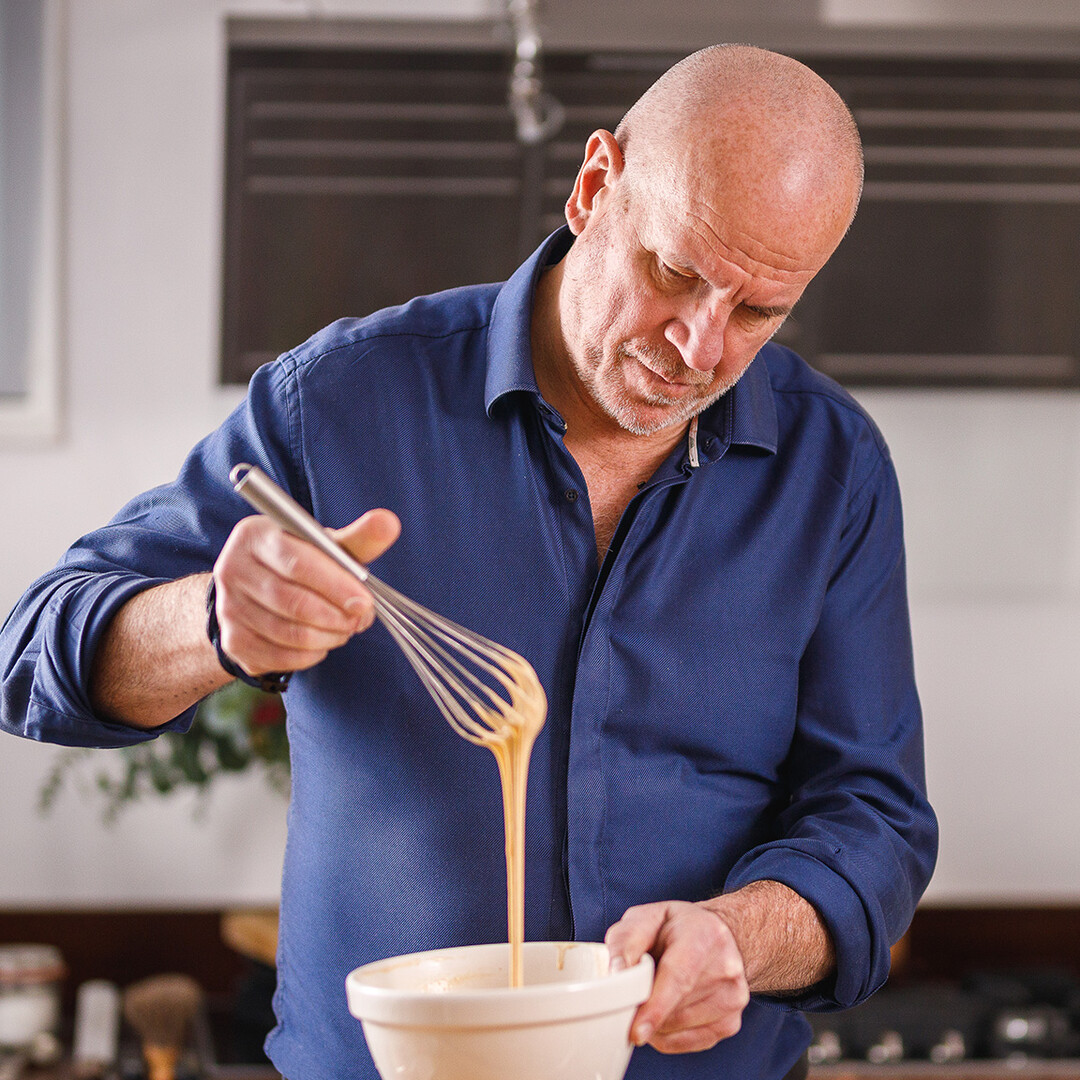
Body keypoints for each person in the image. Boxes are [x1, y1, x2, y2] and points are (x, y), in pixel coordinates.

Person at [1, 43, 937, 1080]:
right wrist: (213, 622)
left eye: (757, 310)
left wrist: (741, 936)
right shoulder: (344, 404)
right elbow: (32, 655)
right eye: (676, 272)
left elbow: (874, 821)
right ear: (594, 188)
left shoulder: (830, 466)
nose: (698, 346)